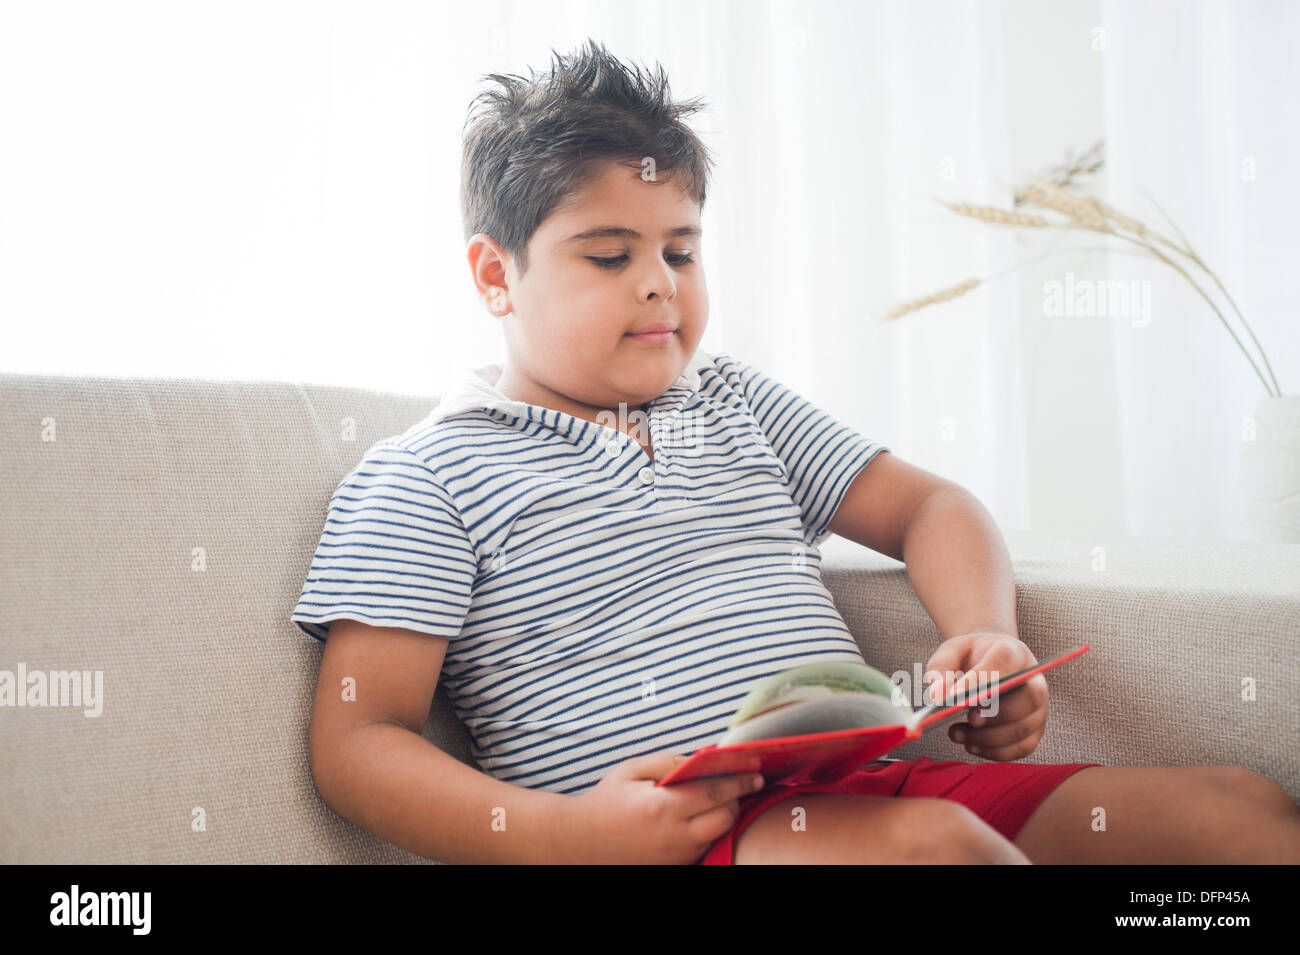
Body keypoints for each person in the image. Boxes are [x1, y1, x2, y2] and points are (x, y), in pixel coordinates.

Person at [291, 38, 1300, 865]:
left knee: (1236, 814)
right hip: (694, 843)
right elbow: (357, 740)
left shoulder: (735, 400)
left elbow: (928, 508)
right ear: (494, 275)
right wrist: (563, 833)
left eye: (680, 250)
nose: (660, 285)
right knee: (936, 850)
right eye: (610, 256)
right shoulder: (424, 477)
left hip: (876, 792)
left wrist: (984, 635)